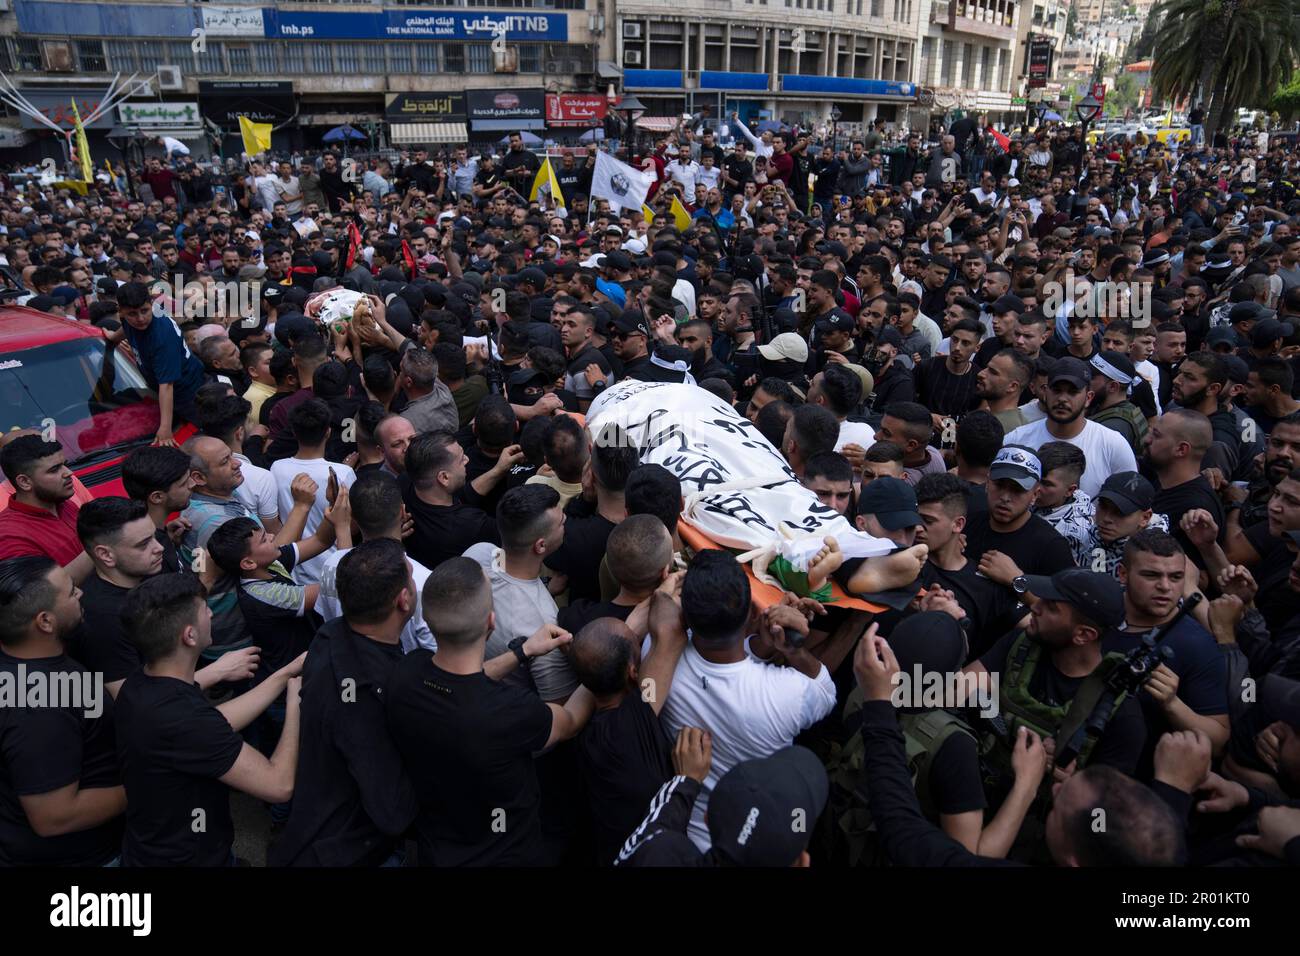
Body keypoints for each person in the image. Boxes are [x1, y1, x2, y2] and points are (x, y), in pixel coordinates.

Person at [385, 556, 595, 866]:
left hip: (435, 849)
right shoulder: (511, 711)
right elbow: (571, 720)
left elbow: (462, 679)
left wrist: (522, 652)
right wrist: (601, 658)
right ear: (491, 623)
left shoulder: (406, 674)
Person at [115, 573, 304, 866]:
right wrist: (295, 706)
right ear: (189, 635)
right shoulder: (183, 718)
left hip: (156, 846)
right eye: (205, 609)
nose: (212, 613)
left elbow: (211, 722)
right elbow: (278, 785)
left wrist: (285, 674)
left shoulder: (140, 685)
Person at [658, 549, 838, 851]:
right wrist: (792, 650)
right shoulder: (786, 696)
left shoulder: (661, 656)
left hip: (685, 835)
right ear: (752, 613)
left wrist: (761, 643)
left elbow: (723, 667)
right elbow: (825, 691)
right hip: (755, 840)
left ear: (685, 615)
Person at [271, 540, 420, 867]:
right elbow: (392, 812)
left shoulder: (330, 635)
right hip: (350, 852)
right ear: (404, 600)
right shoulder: (370, 695)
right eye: (411, 579)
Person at [0, 556, 124, 866]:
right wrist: (146, 780)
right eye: (70, 592)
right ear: (45, 621)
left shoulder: (25, 662)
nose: (81, 593)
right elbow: (54, 817)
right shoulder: (40, 707)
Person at [315, 470, 435, 654]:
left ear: (352, 516)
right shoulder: (424, 580)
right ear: (402, 512)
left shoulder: (332, 564)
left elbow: (330, 622)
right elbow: (434, 654)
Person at [1005, 357, 1138, 498]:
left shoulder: (1113, 445)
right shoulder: (1017, 440)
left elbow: (1130, 499)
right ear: (1045, 392)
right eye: (1056, 390)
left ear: (1088, 398)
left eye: (1072, 392)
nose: (1062, 399)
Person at [103, 281, 206, 447]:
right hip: (163, 391)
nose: (140, 319)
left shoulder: (162, 337)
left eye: (144, 311)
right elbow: (126, 328)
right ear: (121, 312)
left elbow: (167, 386)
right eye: (132, 314)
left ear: (151, 304)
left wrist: (165, 428)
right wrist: (113, 338)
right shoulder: (129, 321)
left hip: (188, 393)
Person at [402, 430, 499, 570]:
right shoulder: (472, 525)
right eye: (461, 459)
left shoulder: (404, 485)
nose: (467, 459)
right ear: (444, 478)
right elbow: (506, 555)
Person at [0, 435, 91, 582]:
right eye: (54, 469)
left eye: (64, 464)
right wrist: (102, 545)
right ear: (24, 482)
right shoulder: (9, 536)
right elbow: (41, 592)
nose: (69, 473)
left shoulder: (65, 503)